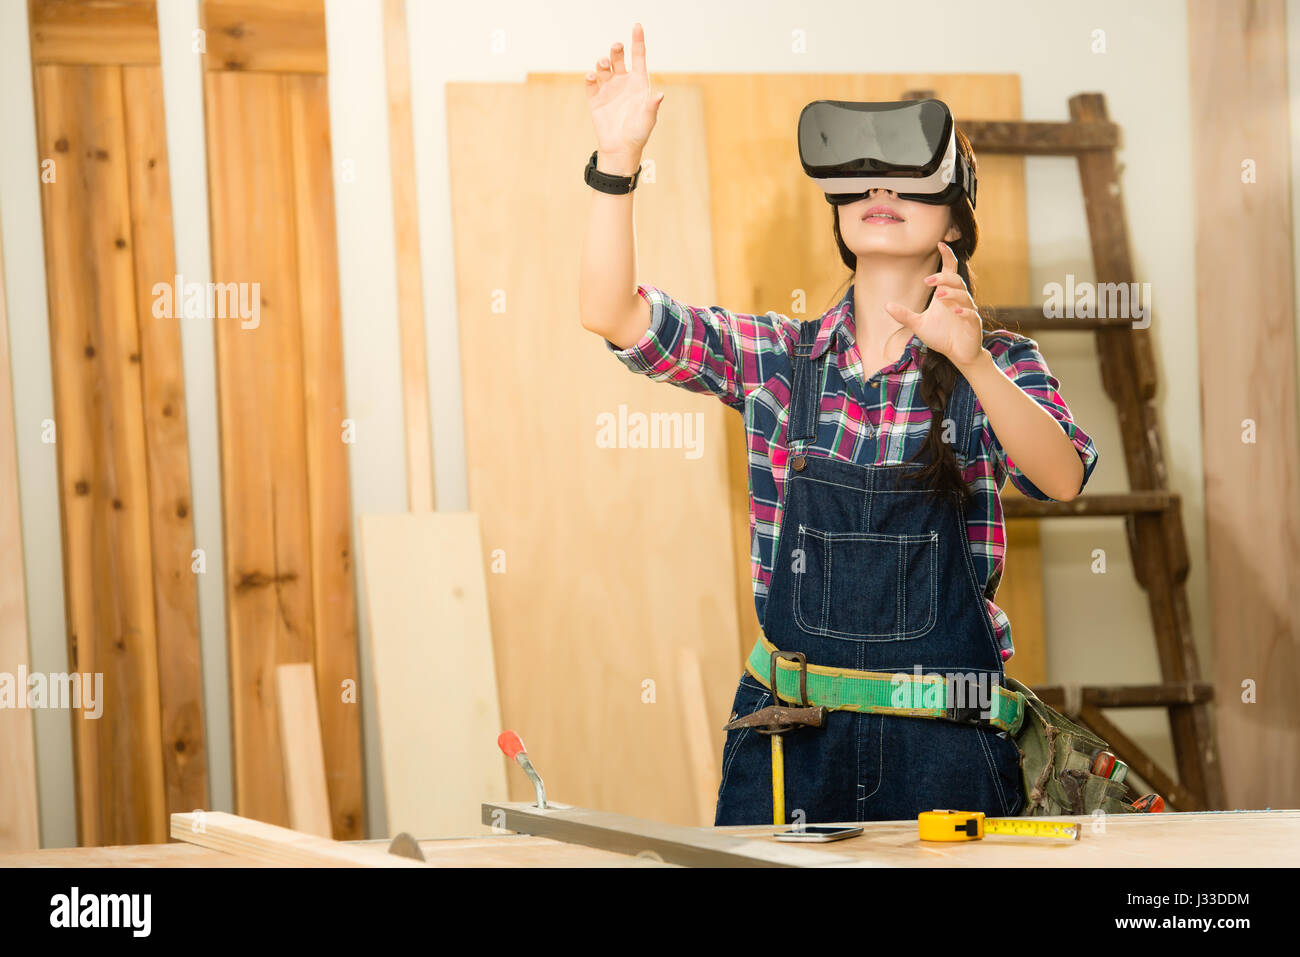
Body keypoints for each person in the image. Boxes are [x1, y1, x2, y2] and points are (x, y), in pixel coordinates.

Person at [578, 23, 1099, 825]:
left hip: (947, 749)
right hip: (793, 743)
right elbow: (612, 313)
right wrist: (617, 160)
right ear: (839, 212)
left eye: (905, 178)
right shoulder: (780, 360)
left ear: (954, 223)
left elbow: (1061, 476)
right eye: (860, 181)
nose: (878, 192)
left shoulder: (998, 363)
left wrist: (973, 363)